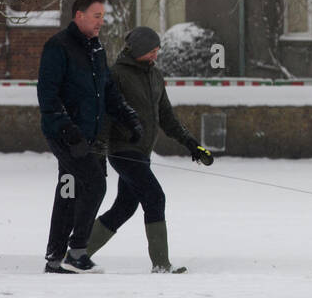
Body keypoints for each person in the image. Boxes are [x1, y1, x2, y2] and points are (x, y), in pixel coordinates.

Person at [85, 26, 215, 274]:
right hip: (124, 150)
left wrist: (192, 144)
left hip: (142, 153)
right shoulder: (117, 75)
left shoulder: (156, 76)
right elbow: (106, 115)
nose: (156, 55)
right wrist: (100, 150)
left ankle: (78, 252)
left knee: (124, 207)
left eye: (157, 50)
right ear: (139, 50)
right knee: (155, 197)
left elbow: (167, 117)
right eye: (152, 51)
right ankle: (161, 264)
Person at [39, 0, 143, 274]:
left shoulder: (96, 49)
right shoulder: (57, 47)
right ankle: (77, 252)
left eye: (103, 16)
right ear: (79, 15)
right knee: (95, 185)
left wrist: (129, 118)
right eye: (96, 16)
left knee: (68, 190)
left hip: (91, 135)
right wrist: (68, 130)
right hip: (66, 136)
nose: (101, 21)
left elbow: (108, 91)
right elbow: (48, 97)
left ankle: (54, 257)